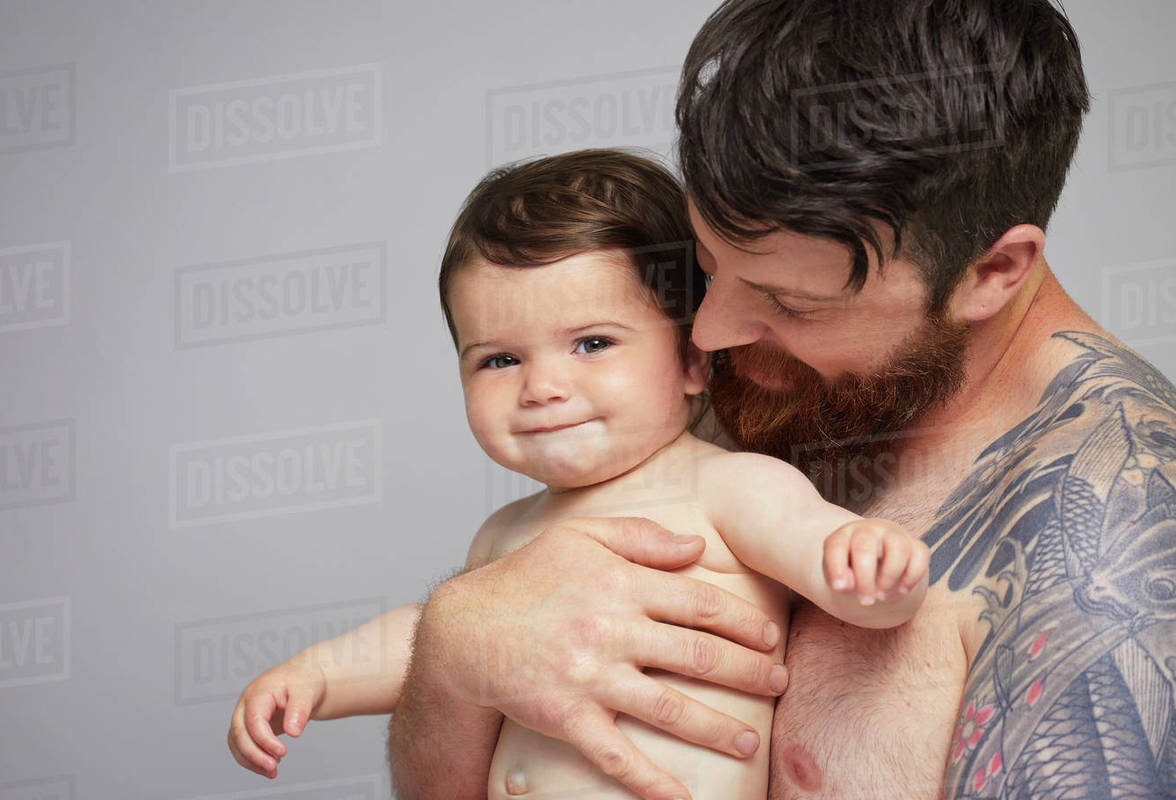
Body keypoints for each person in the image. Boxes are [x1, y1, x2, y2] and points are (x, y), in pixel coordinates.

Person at [387, 2, 1176, 800]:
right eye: (704, 267)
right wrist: (454, 654)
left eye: (790, 302)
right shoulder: (744, 379)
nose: (712, 330)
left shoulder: (1104, 535)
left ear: (993, 271)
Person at [227, 149, 932, 798]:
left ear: (692, 360)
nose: (543, 387)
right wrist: (317, 674)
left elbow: (835, 563)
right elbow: (435, 641)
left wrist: (876, 567)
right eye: (500, 360)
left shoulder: (729, 487)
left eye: (592, 344)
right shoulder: (505, 531)